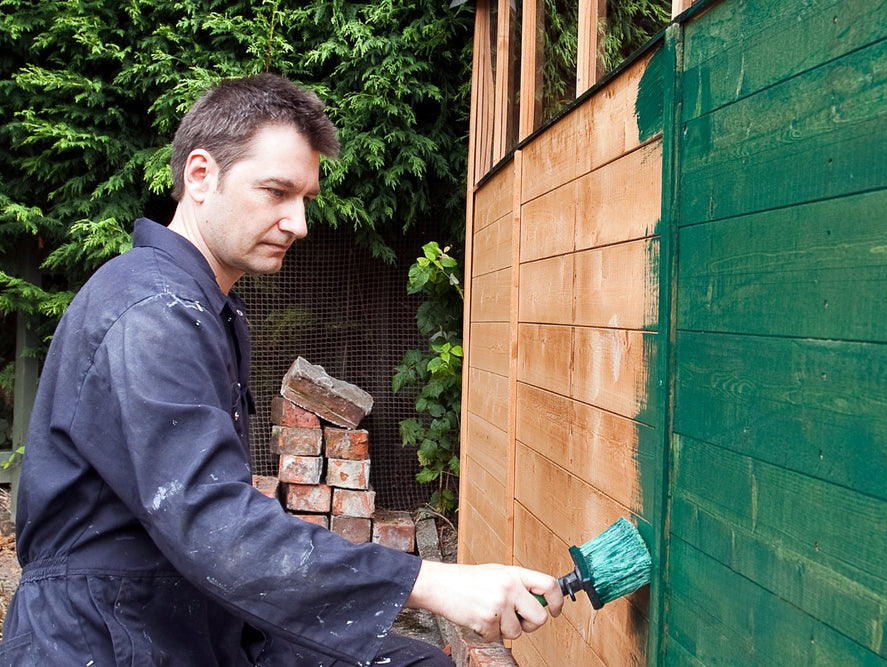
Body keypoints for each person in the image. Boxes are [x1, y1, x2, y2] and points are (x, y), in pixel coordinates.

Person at [0, 72, 564, 666]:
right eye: (275, 192)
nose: (298, 222)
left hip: (187, 617)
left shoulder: (201, 307)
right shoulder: (152, 313)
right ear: (200, 176)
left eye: (304, 200)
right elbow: (216, 527)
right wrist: (433, 583)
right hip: (105, 635)